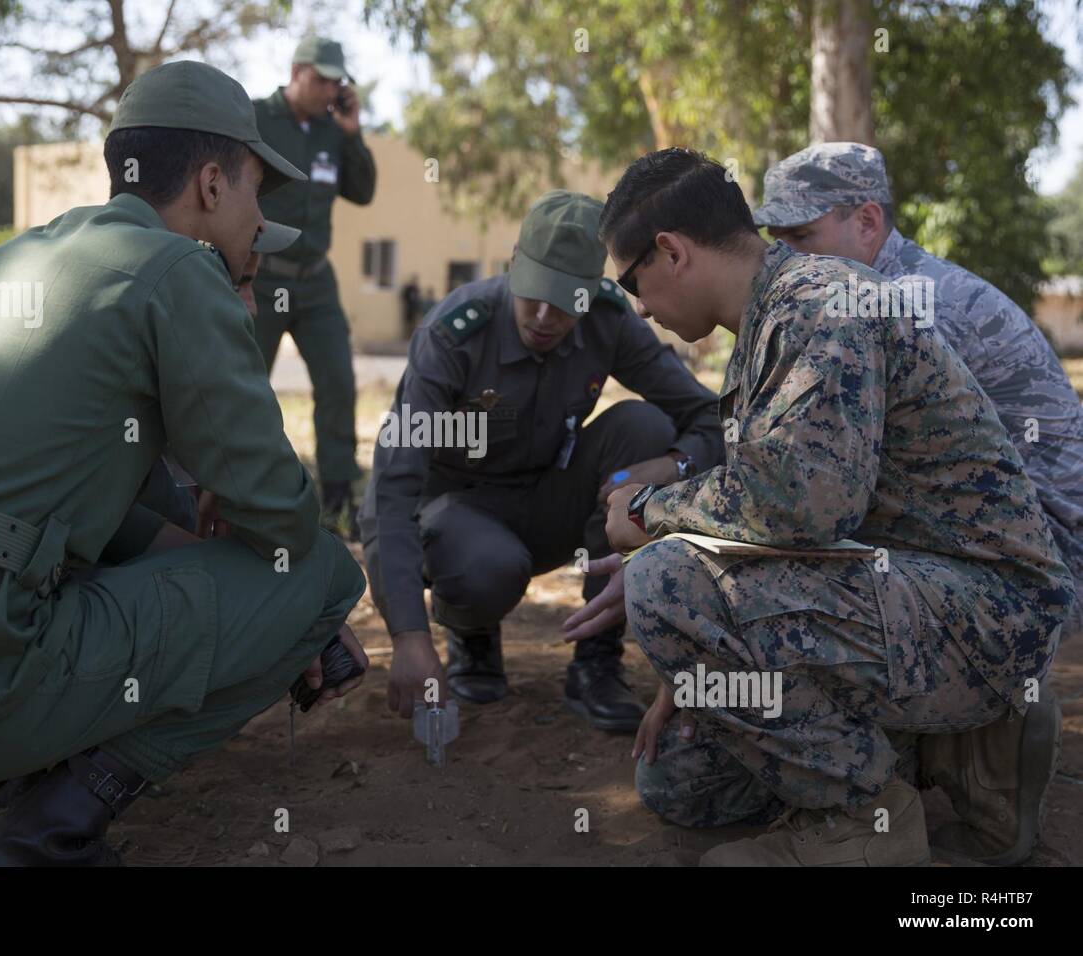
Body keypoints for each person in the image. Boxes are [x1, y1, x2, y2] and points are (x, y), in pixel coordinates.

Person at [0, 61, 368, 867]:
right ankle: (36, 840)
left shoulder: (20, 258)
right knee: (325, 576)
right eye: (255, 193)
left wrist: (231, 581)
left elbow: (56, 507)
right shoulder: (180, 270)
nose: (257, 224)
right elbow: (283, 518)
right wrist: (288, 615)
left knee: (45, 585)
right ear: (209, 184)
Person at [601, 147, 1073, 866]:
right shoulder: (777, 314)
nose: (638, 306)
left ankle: (864, 820)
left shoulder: (819, 304)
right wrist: (700, 653)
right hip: (925, 594)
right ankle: (967, 755)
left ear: (670, 252)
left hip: (989, 612)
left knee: (660, 580)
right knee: (681, 781)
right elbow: (785, 510)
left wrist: (649, 513)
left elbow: (802, 506)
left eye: (633, 280)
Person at [361, 189, 724, 734]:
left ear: (594, 291)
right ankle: (471, 633)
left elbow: (709, 417)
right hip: (461, 514)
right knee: (488, 566)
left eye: (567, 301)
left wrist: (673, 466)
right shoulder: (455, 335)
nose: (546, 316)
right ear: (513, 265)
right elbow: (391, 488)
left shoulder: (608, 321)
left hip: (553, 498)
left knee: (644, 428)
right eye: (534, 294)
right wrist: (408, 636)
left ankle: (596, 662)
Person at [753, 141, 1083, 639]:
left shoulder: (913, 301)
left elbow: (837, 470)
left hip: (1046, 556)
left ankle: (1001, 708)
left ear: (866, 222)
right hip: (1003, 530)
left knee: (802, 558)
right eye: (776, 239)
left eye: (801, 235)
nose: (783, 256)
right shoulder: (879, 290)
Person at [252, 36, 378, 539]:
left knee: (337, 384)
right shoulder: (256, 117)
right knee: (244, 385)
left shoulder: (333, 130)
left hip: (315, 279)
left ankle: (339, 498)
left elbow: (363, 192)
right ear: (297, 71)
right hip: (259, 277)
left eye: (337, 81)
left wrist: (352, 133)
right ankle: (245, 492)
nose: (331, 88)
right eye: (323, 78)